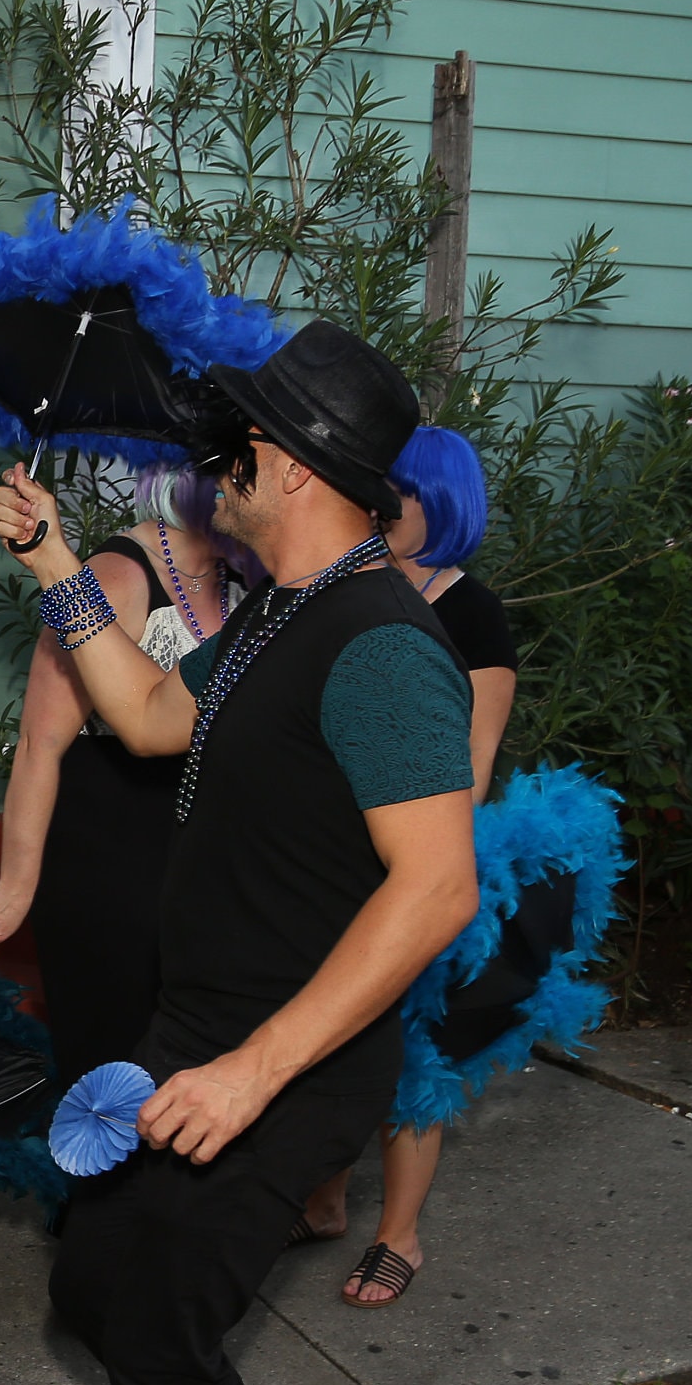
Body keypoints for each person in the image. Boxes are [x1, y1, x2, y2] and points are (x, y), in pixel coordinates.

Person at [0, 320, 478, 1385]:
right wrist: (47, 563)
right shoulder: (280, 614)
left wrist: (256, 1072)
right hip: (194, 1026)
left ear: (283, 463)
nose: (209, 474)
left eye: (227, 451)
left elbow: (436, 888)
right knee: (92, 1283)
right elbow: (145, 714)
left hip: (284, 1060)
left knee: (153, 1331)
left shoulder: (385, 647)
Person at [296, 424, 519, 1306]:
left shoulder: (473, 611)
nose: (384, 508)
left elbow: (471, 763)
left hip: (420, 862)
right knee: (330, 1033)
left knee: (411, 1050)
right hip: (338, 853)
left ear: (445, 503)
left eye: (403, 494)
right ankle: (320, 1202)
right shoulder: (353, 589)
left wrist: (405, 859)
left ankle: (402, 1236)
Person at [0, 461, 245, 1108]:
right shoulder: (115, 575)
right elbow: (40, 742)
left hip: (196, 859)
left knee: (189, 1071)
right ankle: (102, 1202)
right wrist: (16, 884)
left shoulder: (241, 577)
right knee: (114, 1064)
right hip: (108, 860)